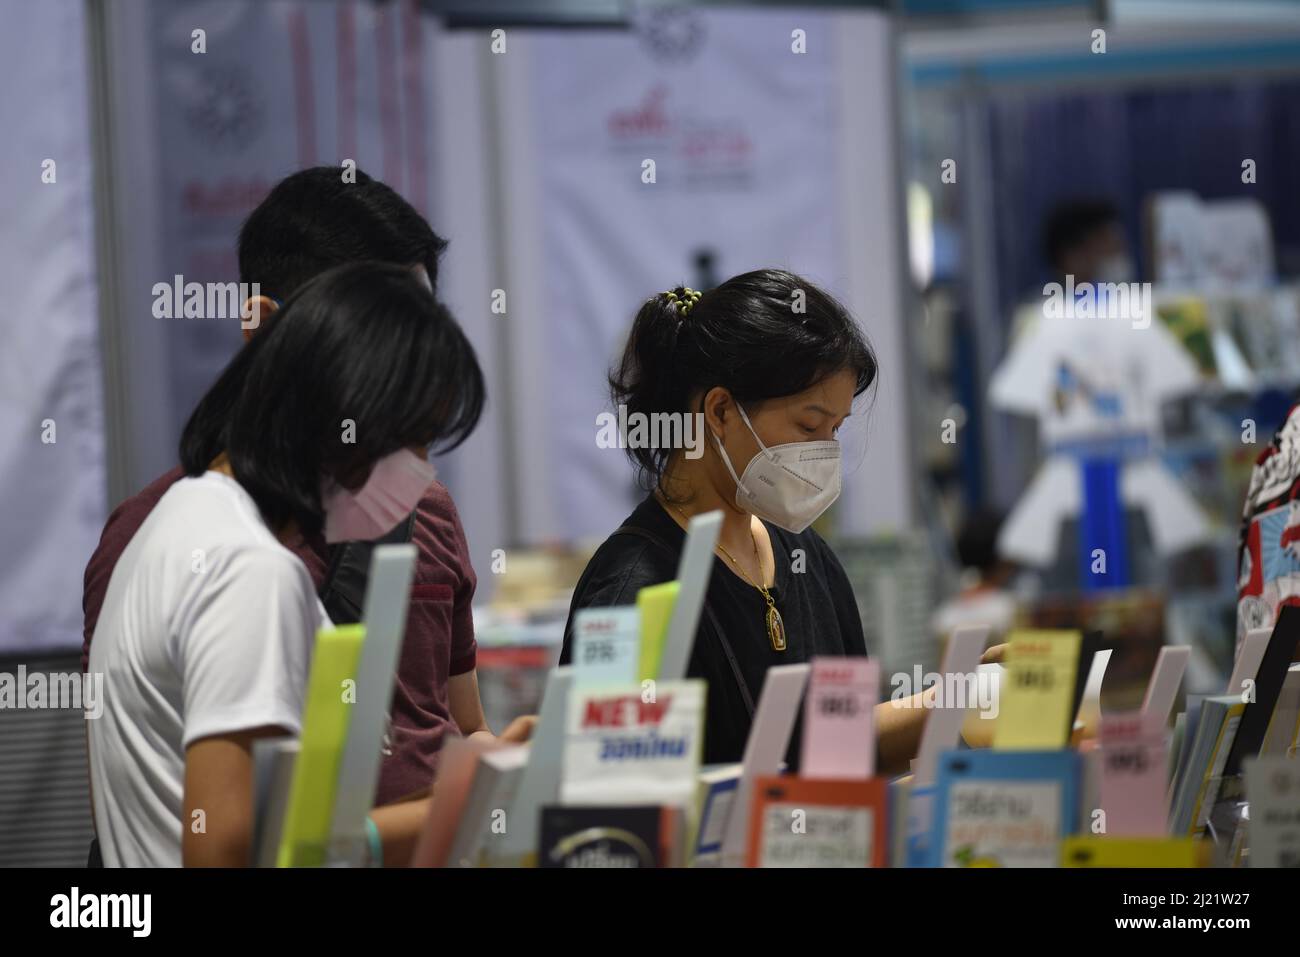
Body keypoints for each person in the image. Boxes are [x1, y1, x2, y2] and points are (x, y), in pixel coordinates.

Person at [81, 168, 534, 830]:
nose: (415, 468)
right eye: (379, 346)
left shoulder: (421, 510)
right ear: (274, 333)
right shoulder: (216, 553)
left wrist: (487, 773)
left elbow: (457, 732)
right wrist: (426, 822)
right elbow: (222, 838)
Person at [560, 269, 933, 774]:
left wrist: (965, 697)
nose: (825, 452)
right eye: (808, 425)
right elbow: (609, 797)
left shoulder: (806, 558)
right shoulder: (631, 590)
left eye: (835, 430)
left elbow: (841, 747)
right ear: (719, 411)